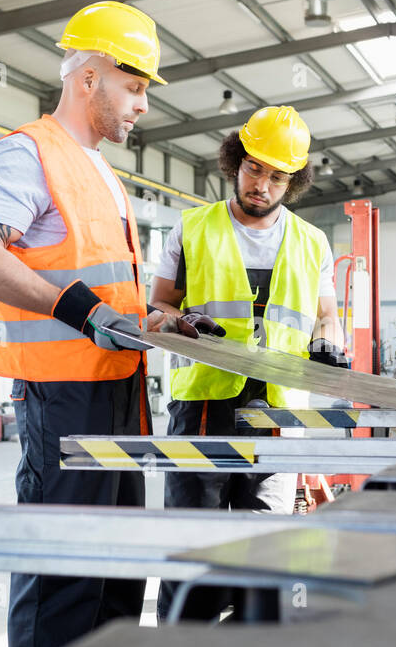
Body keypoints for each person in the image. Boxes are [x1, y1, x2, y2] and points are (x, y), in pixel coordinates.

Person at [0, 0, 191, 647]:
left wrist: (154, 318)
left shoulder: (102, 171)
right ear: (89, 78)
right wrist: (84, 312)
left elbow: (102, 288)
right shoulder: (27, 153)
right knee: (63, 570)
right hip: (62, 400)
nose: (143, 105)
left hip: (120, 394)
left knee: (117, 568)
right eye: (134, 87)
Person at [148, 106, 350, 617]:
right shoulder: (191, 229)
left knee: (267, 545)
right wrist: (180, 321)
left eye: (277, 177)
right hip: (202, 404)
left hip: (279, 410)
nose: (262, 185)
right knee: (196, 544)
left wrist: (330, 342)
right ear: (235, 162)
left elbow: (328, 316)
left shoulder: (312, 243)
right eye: (254, 168)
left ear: (293, 182)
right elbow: (158, 305)